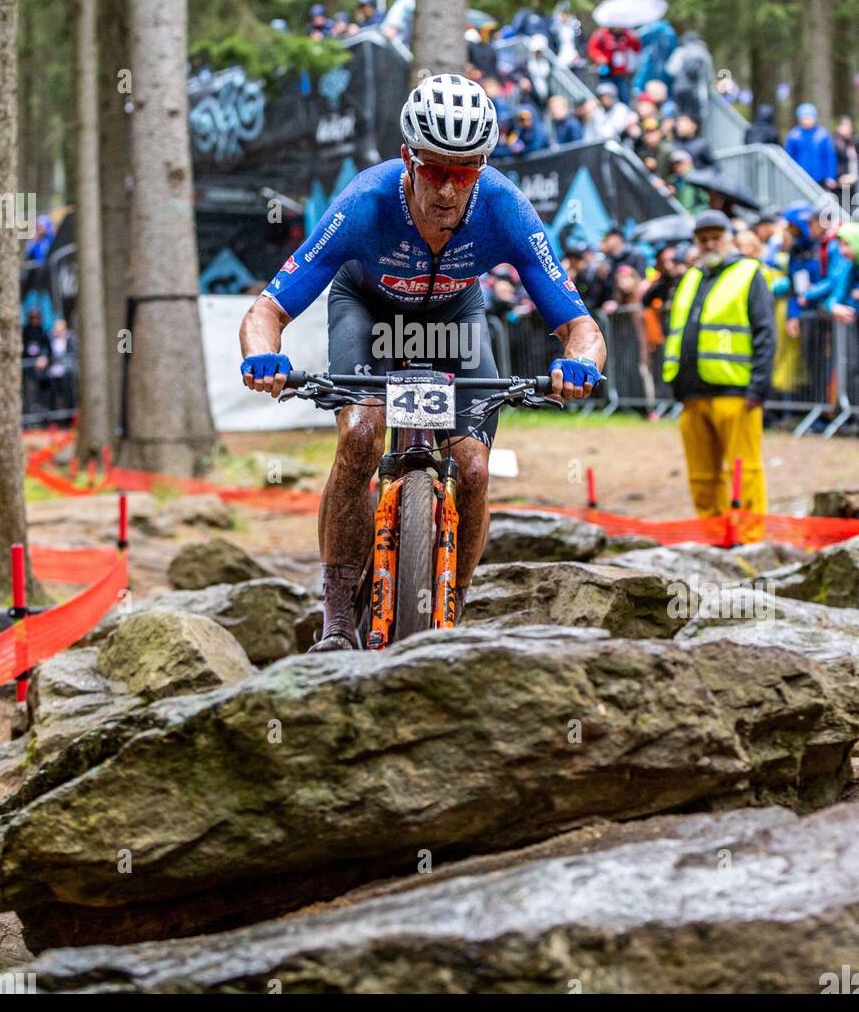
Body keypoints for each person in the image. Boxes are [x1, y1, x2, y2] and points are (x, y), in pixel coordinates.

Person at [239, 73, 606, 650]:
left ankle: (451, 612)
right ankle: (336, 619)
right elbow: (267, 310)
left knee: (476, 469)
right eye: (435, 170)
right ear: (407, 158)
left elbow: (580, 325)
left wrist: (578, 362)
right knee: (360, 435)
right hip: (367, 308)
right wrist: (263, 354)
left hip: (455, 316)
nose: (448, 190)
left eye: (465, 174)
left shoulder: (505, 207)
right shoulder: (365, 202)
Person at [663, 210, 775, 535]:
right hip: (692, 396)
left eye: (716, 237)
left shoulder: (749, 273)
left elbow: (765, 334)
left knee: (745, 472)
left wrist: (758, 388)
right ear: (696, 244)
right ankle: (714, 539)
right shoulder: (691, 278)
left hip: (736, 395)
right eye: (703, 239)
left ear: (729, 239)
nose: (710, 243)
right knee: (702, 476)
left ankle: (751, 541)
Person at [665, 31, 714, 125]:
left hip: (680, 89)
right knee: (696, 118)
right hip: (698, 91)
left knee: (680, 115)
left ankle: (681, 135)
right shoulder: (704, 53)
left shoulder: (681, 51)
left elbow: (671, 70)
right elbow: (709, 76)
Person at [783, 104, 837, 189]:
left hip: (820, 179)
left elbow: (829, 157)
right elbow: (788, 158)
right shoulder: (793, 135)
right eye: (805, 118)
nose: (807, 121)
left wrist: (830, 176)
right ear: (800, 119)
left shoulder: (823, 135)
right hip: (799, 179)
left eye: (810, 118)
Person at [587, 26, 641, 103]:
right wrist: (599, 57)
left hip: (621, 72)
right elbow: (592, 49)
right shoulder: (601, 34)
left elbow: (636, 47)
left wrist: (632, 37)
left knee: (624, 95)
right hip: (607, 70)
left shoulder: (626, 34)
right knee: (607, 94)